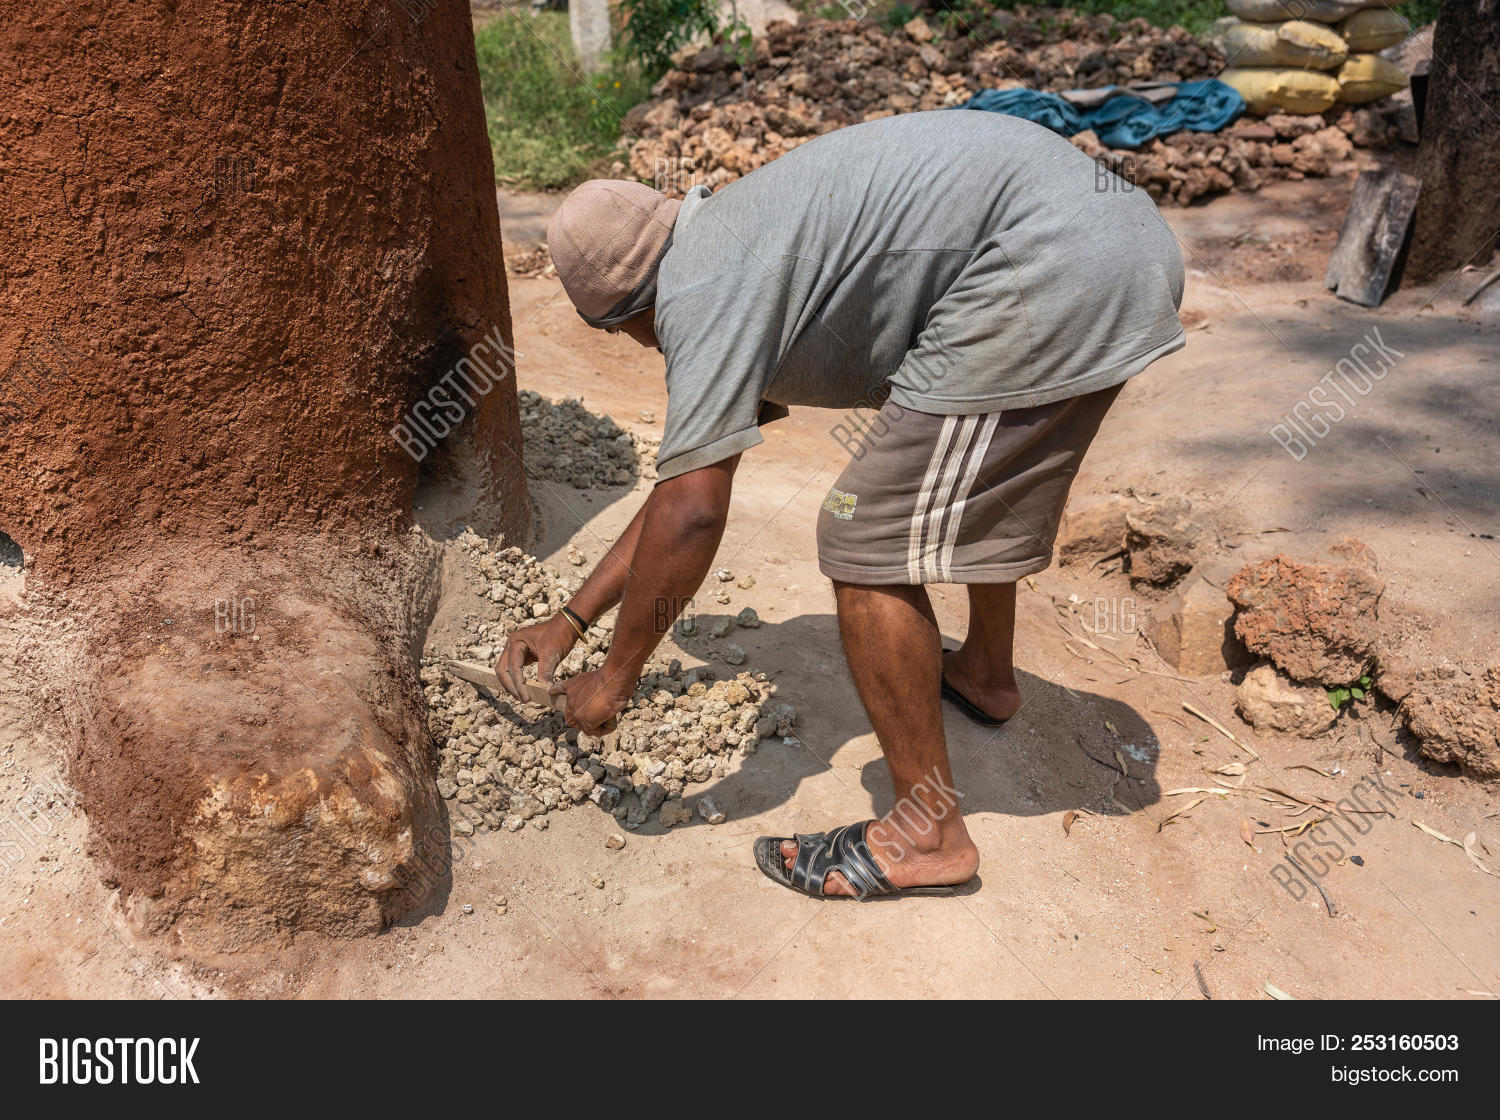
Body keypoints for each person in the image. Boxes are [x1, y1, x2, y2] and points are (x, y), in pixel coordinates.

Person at [495, 110, 1184, 899]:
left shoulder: (699, 295)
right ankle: (987, 673)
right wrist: (570, 620)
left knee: (863, 533)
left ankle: (926, 836)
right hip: (1104, 241)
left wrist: (613, 681)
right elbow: (678, 491)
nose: (649, 352)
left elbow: (692, 513)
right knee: (959, 480)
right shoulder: (725, 239)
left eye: (632, 339)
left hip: (1058, 265)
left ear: (626, 316)